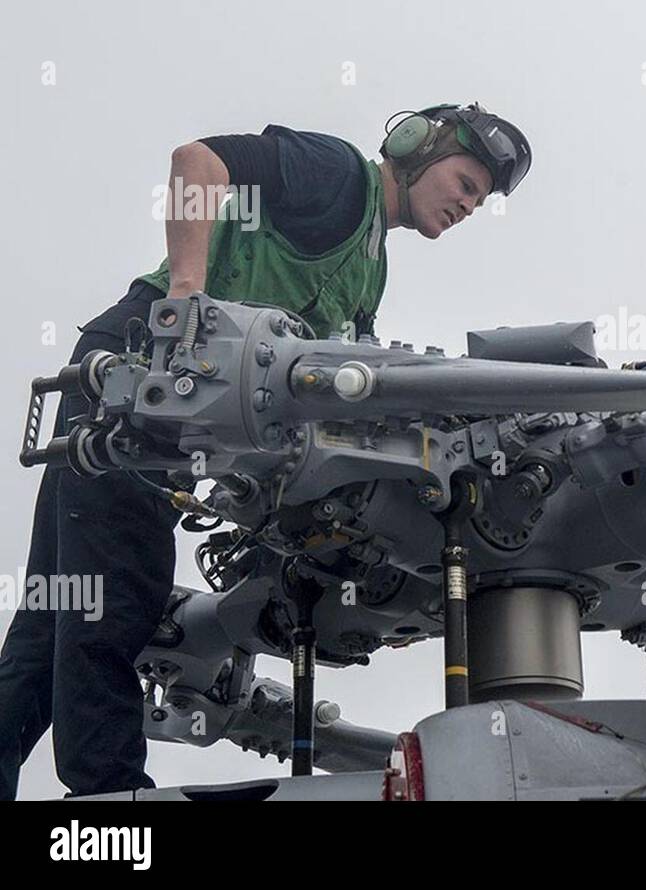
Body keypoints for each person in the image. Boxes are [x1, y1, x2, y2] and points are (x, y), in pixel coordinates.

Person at [0, 103, 531, 798]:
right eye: (466, 181)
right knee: (119, 596)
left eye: (481, 198)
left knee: (52, 621)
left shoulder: (370, 270)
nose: (469, 203)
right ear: (414, 149)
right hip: (139, 379)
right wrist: (187, 298)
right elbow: (198, 162)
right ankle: (107, 796)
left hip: (176, 422)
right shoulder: (337, 176)